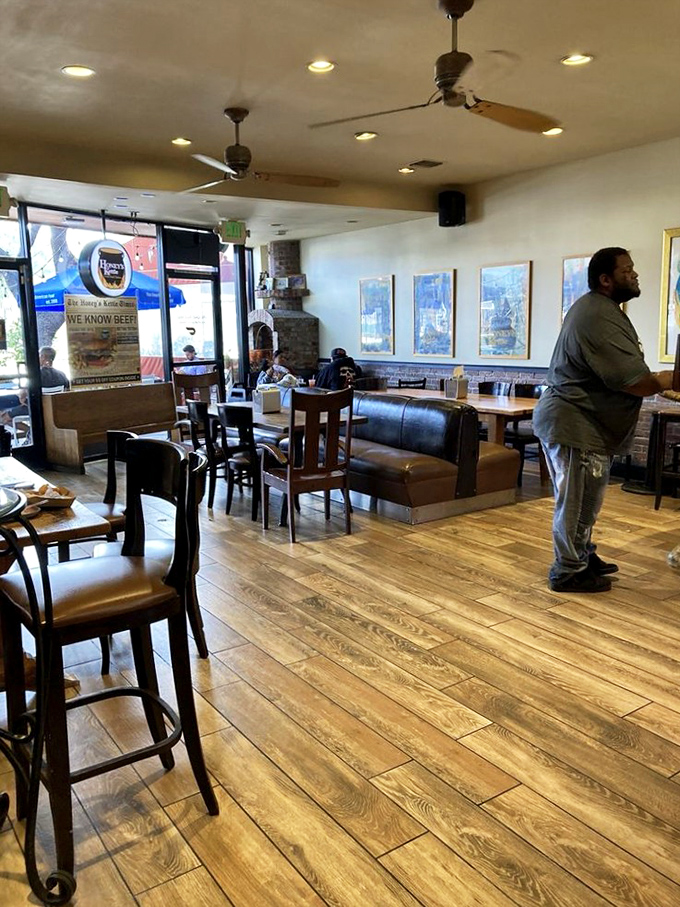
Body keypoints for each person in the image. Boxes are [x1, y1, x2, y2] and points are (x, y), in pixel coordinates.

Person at [533, 247, 674, 594]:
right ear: (606, 280)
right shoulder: (596, 314)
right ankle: (567, 570)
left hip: (584, 423)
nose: (635, 274)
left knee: (586, 500)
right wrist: (670, 379)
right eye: (628, 270)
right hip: (574, 422)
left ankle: (581, 554)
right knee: (576, 501)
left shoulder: (603, 309)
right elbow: (632, 380)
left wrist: (661, 382)